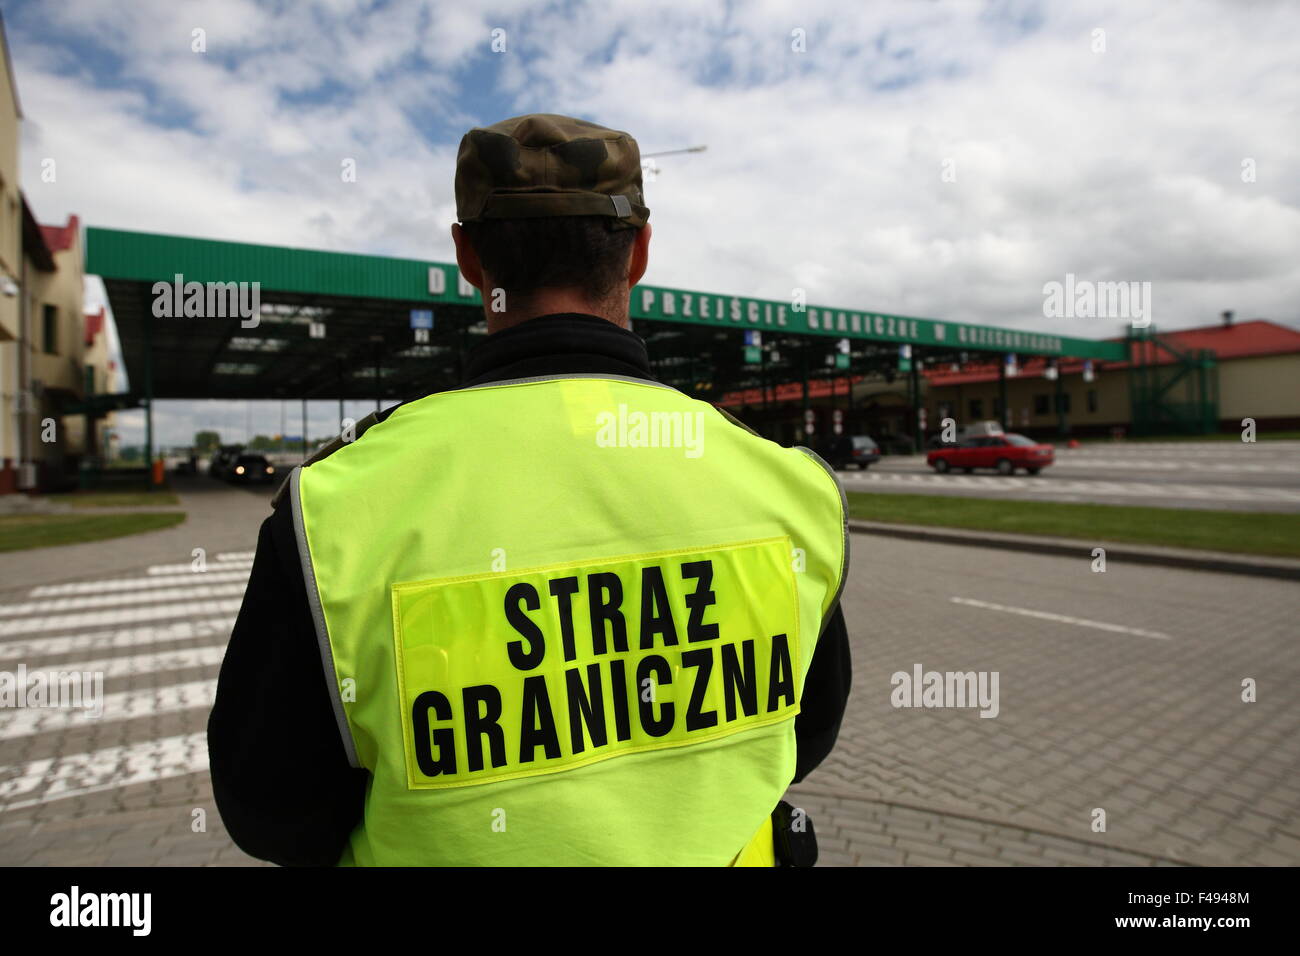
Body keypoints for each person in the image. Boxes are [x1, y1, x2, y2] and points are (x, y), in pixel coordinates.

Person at [208, 113, 852, 866]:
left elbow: (271, 811)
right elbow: (805, 737)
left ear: (468, 257)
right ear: (640, 251)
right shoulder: (786, 482)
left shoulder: (335, 506)